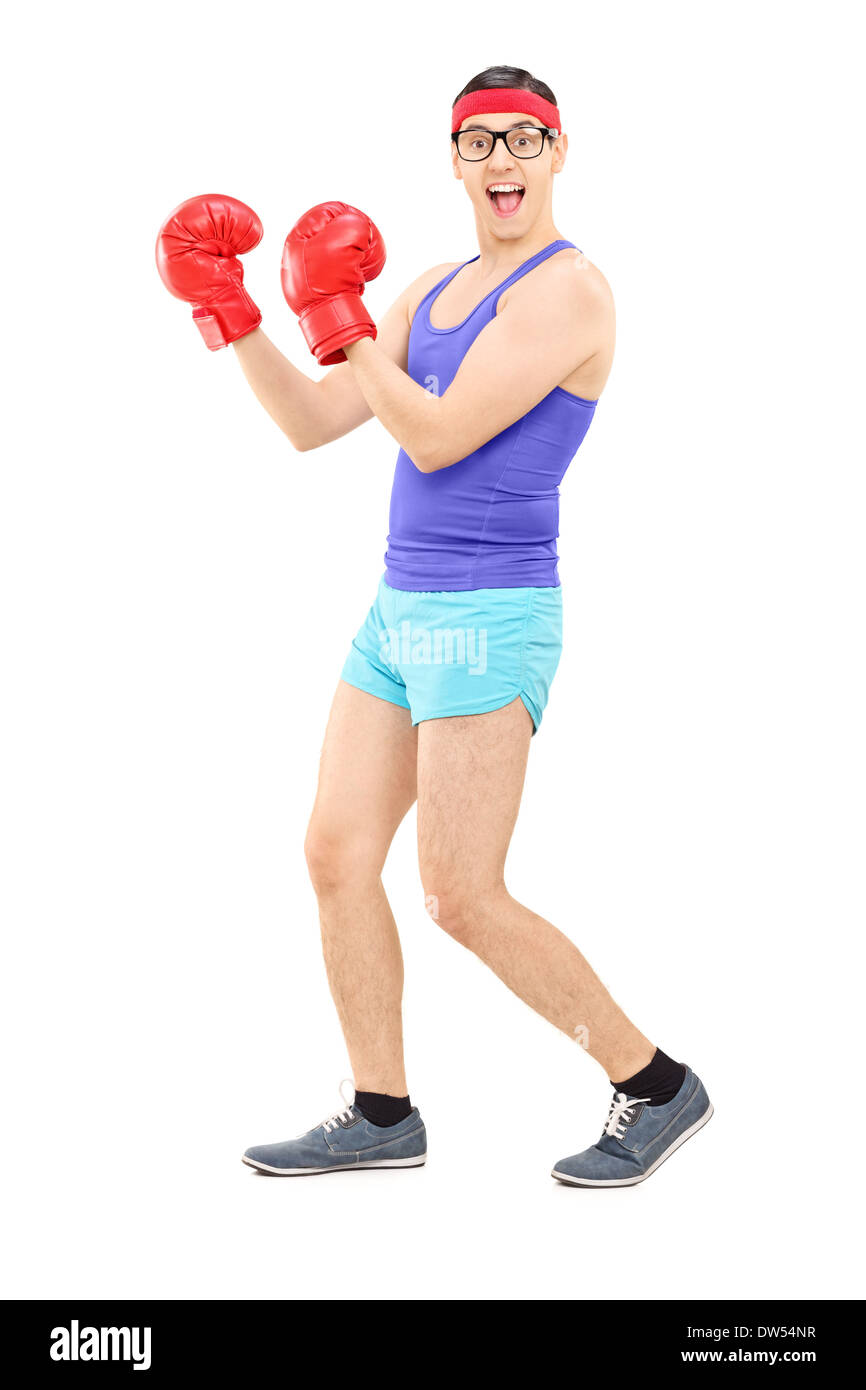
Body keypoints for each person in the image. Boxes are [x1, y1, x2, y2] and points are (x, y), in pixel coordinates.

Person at [155, 65, 712, 1187]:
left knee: (460, 892)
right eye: (477, 142)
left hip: (487, 611)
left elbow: (438, 438)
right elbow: (319, 424)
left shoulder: (570, 293)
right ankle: (380, 1111)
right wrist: (238, 315)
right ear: (452, 161)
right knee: (335, 851)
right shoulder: (426, 291)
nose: (500, 160)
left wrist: (340, 320)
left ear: (559, 153)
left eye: (522, 139)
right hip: (398, 607)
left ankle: (654, 1083)